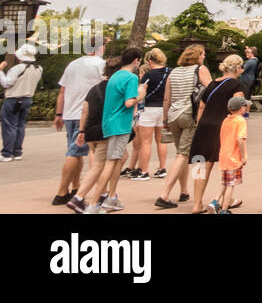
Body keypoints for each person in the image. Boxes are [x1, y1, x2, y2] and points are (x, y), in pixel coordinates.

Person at [73, 49, 141, 213]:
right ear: (136, 61)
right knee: (111, 163)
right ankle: (95, 202)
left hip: (108, 125)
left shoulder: (114, 77)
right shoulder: (131, 77)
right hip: (120, 126)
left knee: (111, 161)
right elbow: (129, 103)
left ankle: (108, 198)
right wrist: (141, 94)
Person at [155, 44, 211, 208]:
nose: (204, 57)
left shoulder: (174, 72)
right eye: (203, 54)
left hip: (173, 116)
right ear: (198, 55)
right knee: (184, 155)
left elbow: (166, 98)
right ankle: (164, 195)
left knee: (182, 153)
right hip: (190, 115)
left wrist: (165, 119)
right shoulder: (200, 69)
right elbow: (211, 89)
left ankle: (184, 191)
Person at [52, 36, 105, 205]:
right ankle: (61, 192)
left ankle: (75, 187)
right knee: (74, 153)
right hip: (86, 113)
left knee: (77, 152)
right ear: (100, 47)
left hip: (69, 113)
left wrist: (59, 114)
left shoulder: (73, 64)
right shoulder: (100, 64)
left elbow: (62, 91)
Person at [189, 55, 244, 213]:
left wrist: (199, 125)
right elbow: (237, 108)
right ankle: (225, 198)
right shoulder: (237, 85)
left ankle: (197, 203)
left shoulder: (212, 83)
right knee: (228, 164)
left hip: (204, 125)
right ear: (237, 68)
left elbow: (201, 106)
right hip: (222, 127)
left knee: (201, 165)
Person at [66, 66, 109, 214]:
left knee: (101, 162)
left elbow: (85, 111)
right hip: (105, 131)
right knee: (99, 166)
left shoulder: (94, 89)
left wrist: (82, 131)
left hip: (91, 131)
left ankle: (102, 193)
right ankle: (79, 197)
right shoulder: (114, 88)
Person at [124, 48, 168, 180]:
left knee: (146, 142)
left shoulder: (149, 75)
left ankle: (144, 171)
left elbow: (141, 91)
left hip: (150, 108)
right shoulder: (170, 72)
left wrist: (134, 100)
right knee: (161, 141)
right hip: (164, 109)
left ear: (150, 61)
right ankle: (162, 168)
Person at [0, 43, 43, 161]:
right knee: (20, 126)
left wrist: (0, 71)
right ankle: (17, 152)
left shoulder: (18, 68)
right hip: (27, 99)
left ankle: (7, 153)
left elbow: (6, 83)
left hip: (13, 99)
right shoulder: (38, 68)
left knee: (9, 126)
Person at [214, 94, 249, 213]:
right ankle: (224, 209)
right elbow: (240, 139)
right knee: (230, 185)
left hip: (224, 154)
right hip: (233, 157)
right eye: (245, 106)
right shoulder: (240, 121)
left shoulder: (226, 120)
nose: (246, 108)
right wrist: (243, 156)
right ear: (241, 109)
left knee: (224, 182)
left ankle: (215, 201)